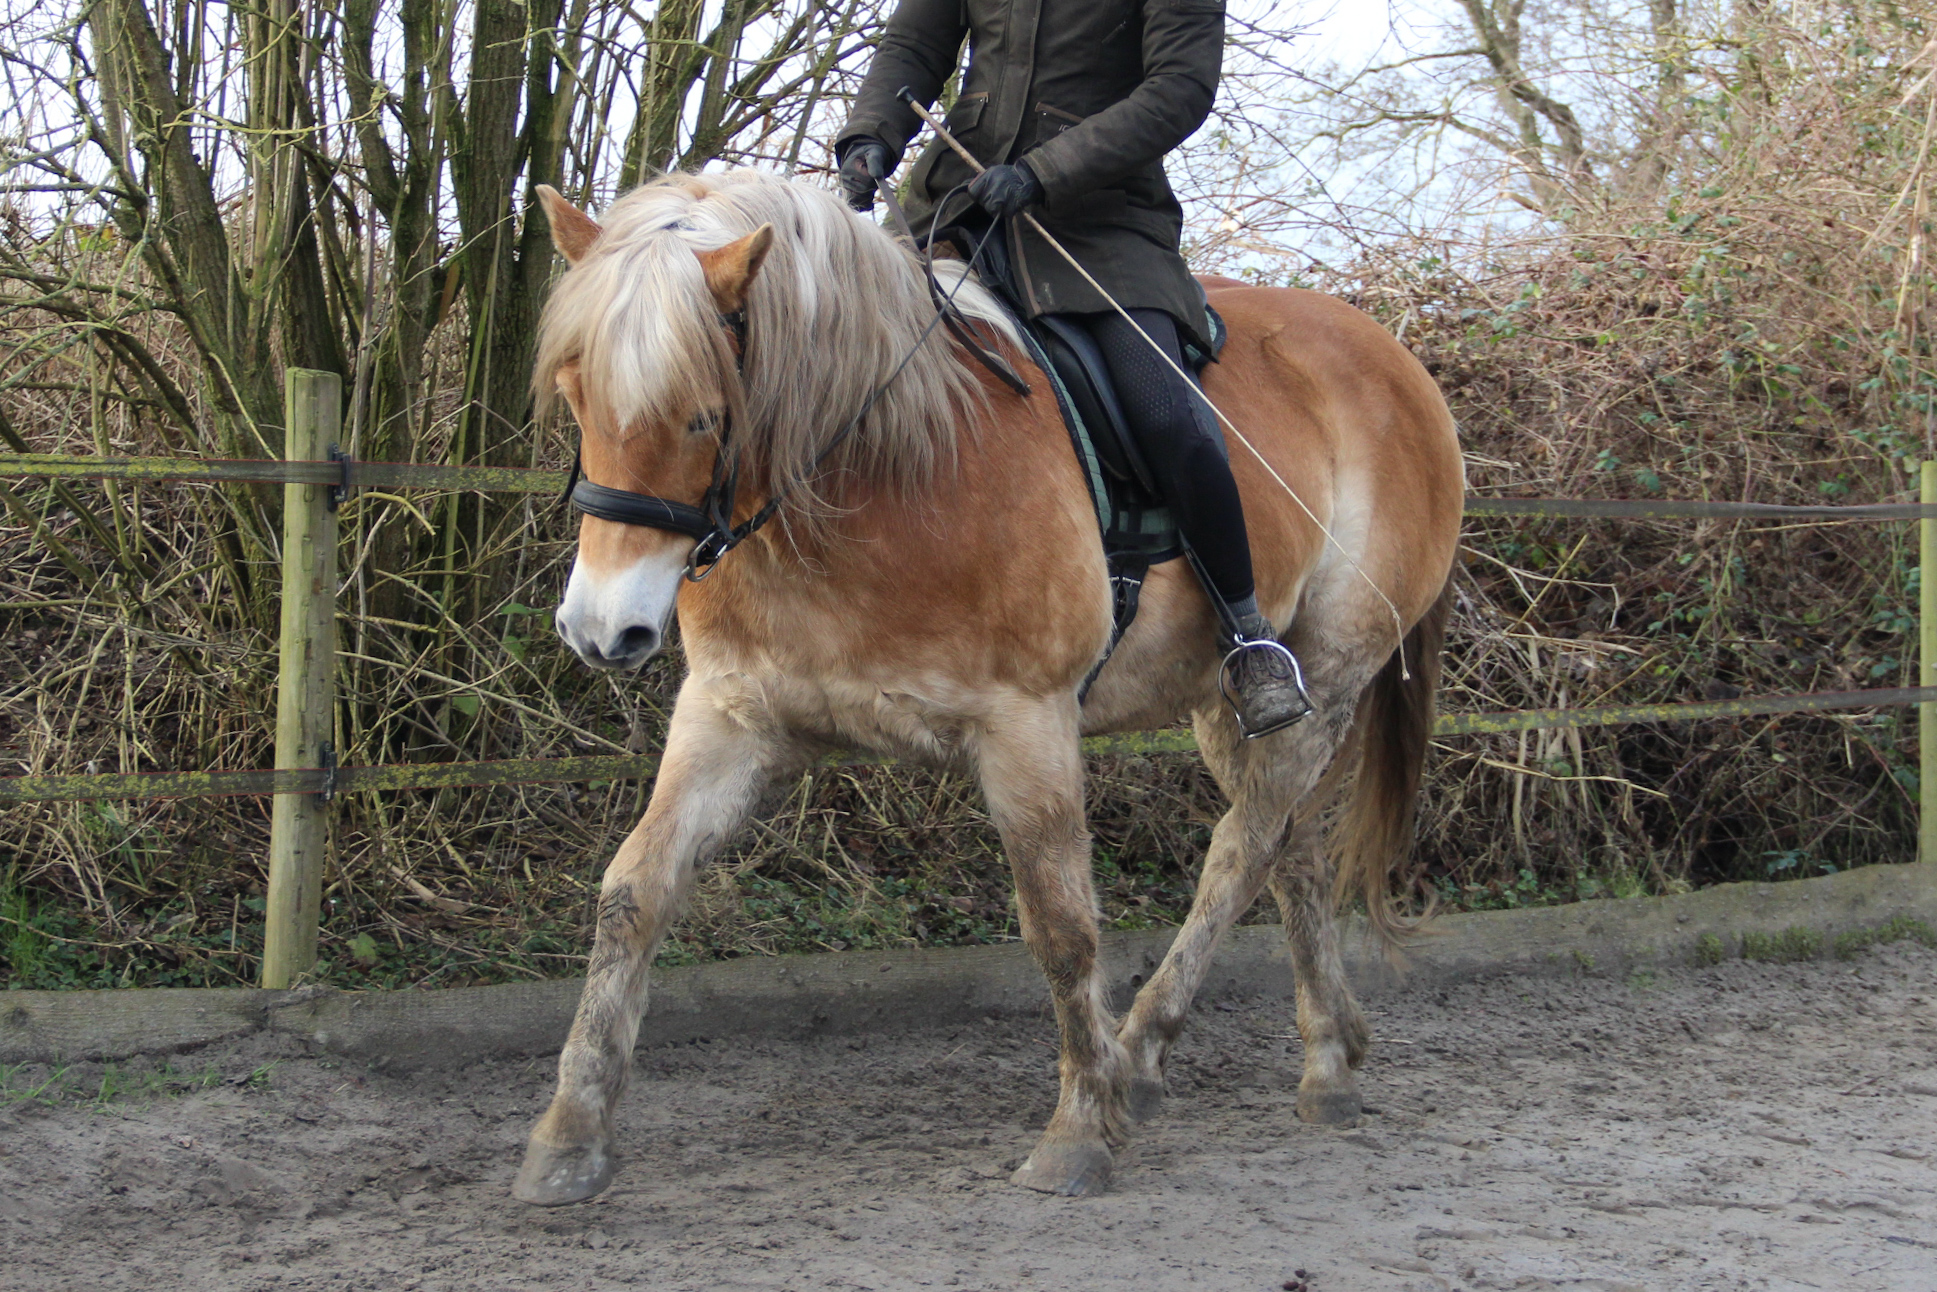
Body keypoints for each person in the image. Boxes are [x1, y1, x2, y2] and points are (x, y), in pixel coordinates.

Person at [833, 0, 1311, 735]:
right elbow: (913, 45)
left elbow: (1180, 88)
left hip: (1100, 229)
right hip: (954, 213)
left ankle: (1247, 634)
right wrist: (869, 137)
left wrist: (1044, 172)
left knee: (1163, 412)